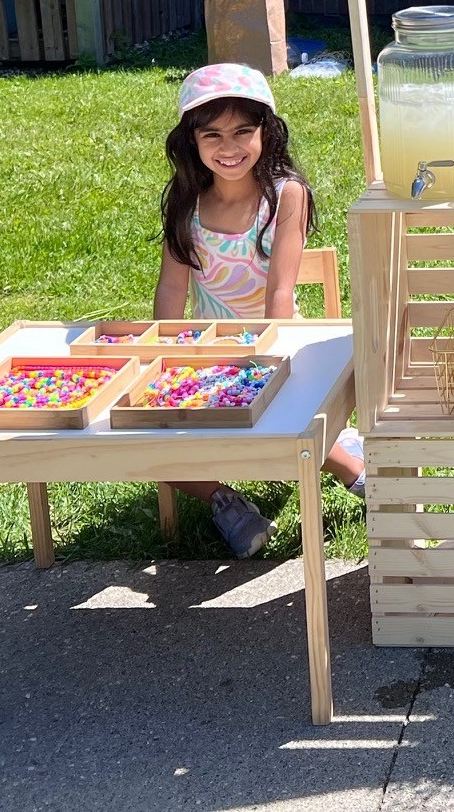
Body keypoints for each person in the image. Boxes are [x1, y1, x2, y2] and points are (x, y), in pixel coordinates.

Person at [155, 63, 365, 558]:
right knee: (143, 446)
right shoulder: (186, 202)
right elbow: (170, 290)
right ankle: (224, 500)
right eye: (213, 135)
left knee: (286, 419)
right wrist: (163, 355)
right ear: (192, 140)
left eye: (242, 132)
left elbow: (281, 294)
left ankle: (353, 472)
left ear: (265, 132)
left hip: (276, 342)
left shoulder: (286, 196)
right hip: (207, 357)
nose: (229, 148)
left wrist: (267, 363)